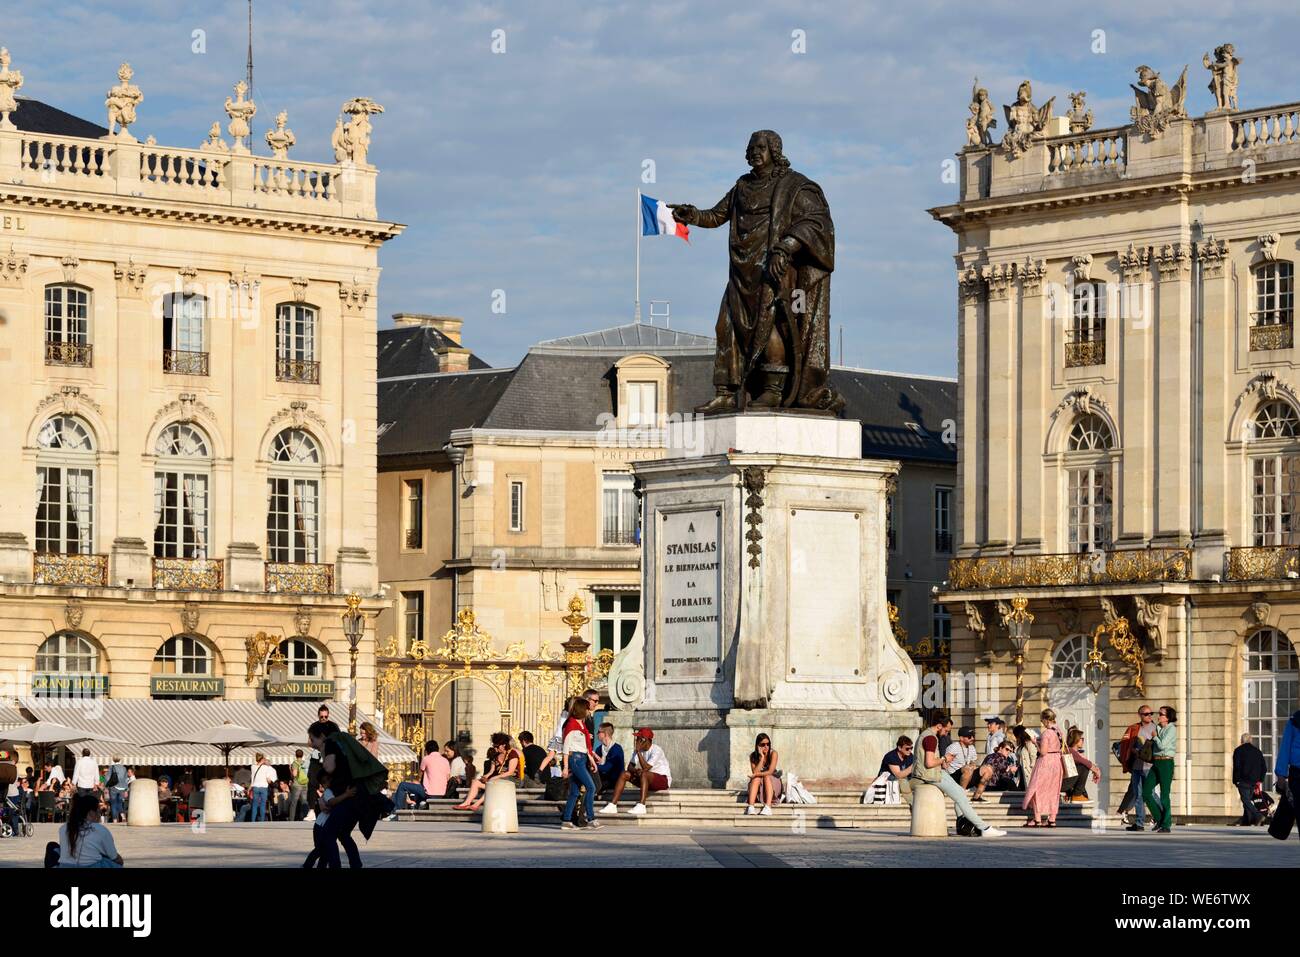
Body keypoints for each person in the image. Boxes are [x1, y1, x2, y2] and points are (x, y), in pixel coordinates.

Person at [309, 719, 391, 868]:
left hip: (350, 798)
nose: (310, 742)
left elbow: (329, 767)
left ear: (321, 736)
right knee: (343, 833)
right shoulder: (342, 744)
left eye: (312, 738)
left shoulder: (331, 743)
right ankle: (356, 864)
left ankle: (336, 866)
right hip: (357, 796)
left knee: (328, 834)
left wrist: (323, 749)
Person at [914, 712, 1005, 837]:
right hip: (931, 775)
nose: (947, 734)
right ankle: (984, 828)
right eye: (947, 730)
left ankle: (962, 823)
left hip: (936, 772)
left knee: (961, 793)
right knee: (961, 797)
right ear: (939, 726)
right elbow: (929, 763)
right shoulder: (931, 738)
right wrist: (945, 758)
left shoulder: (926, 735)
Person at [599, 727, 672, 817]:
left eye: (639, 739)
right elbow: (630, 767)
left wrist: (638, 752)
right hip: (646, 778)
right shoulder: (639, 751)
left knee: (644, 773)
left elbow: (646, 768)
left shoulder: (656, 750)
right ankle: (613, 805)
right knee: (624, 774)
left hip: (662, 780)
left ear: (646, 740)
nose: (636, 741)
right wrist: (636, 771)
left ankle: (642, 805)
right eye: (637, 738)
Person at [560, 699, 602, 830]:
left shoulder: (582, 725)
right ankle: (591, 818)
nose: (588, 710)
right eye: (586, 708)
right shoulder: (571, 724)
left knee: (574, 792)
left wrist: (591, 760)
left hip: (582, 758)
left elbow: (585, 746)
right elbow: (566, 748)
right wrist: (566, 767)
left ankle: (566, 820)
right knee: (591, 787)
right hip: (576, 759)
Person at [453, 733, 520, 812]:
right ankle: (466, 803)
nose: (495, 748)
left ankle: (477, 804)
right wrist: (485, 777)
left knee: (492, 783)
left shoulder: (512, 754)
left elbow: (510, 772)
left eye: (496, 746)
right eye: (494, 746)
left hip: (511, 781)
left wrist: (494, 777)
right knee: (475, 782)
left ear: (503, 745)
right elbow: (491, 771)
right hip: (497, 781)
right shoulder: (496, 755)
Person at [303, 771, 356, 868]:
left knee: (325, 852)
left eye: (329, 779)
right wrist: (347, 795)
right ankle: (306, 865)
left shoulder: (333, 791)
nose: (328, 782)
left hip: (328, 826)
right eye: (324, 781)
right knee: (320, 850)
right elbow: (332, 802)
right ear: (322, 785)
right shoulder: (328, 792)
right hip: (321, 826)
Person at [1022, 709, 1064, 828]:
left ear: (1046, 720)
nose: (1042, 723)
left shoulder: (1046, 733)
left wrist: (1035, 742)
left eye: (1042, 720)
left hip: (1046, 763)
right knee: (1053, 791)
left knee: (1036, 790)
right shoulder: (1059, 731)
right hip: (1057, 762)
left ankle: (1037, 819)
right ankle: (1052, 819)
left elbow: (1043, 751)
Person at [57, 793, 123, 868]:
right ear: (91, 813)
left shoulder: (63, 828)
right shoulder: (100, 829)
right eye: (99, 811)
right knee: (112, 862)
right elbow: (114, 857)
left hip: (65, 866)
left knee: (54, 848)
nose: (99, 815)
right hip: (91, 865)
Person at [388, 740, 450, 819]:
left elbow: (419, 777)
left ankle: (396, 812)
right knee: (421, 787)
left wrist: (415, 782)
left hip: (429, 793)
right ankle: (419, 805)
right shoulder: (445, 760)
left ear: (427, 750)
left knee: (402, 785)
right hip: (442, 793)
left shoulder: (426, 758)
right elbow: (448, 777)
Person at [1120, 705, 1157, 832]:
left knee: (1150, 794)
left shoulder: (1155, 728)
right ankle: (1139, 823)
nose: (1149, 716)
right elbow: (1126, 744)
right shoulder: (1134, 728)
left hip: (1149, 767)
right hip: (1136, 766)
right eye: (1146, 714)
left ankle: (1160, 817)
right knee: (1137, 795)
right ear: (1140, 715)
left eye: (1150, 713)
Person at [1142, 705, 1178, 833]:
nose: (1159, 716)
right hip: (1156, 762)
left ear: (1168, 718)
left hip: (1166, 763)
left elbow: (1162, 746)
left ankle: (1166, 824)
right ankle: (1159, 819)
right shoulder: (1157, 728)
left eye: (1162, 714)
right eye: (1159, 713)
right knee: (1146, 792)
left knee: (1164, 795)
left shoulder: (1171, 729)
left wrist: (1155, 736)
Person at [1232, 732, 1267, 826]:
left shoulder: (1238, 751)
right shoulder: (1257, 751)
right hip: (1254, 781)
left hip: (1243, 780)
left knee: (1245, 800)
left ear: (1241, 741)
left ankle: (1258, 815)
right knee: (1247, 801)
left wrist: (1236, 780)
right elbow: (1264, 767)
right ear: (1251, 740)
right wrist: (1260, 780)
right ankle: (1246, 821)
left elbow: (1237, 767)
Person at [1062, 727, 1101, 802]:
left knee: (1083, 765)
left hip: (1067, 783)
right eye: (1081, 738)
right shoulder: (1070, 751)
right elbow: (1086, 763)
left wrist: (1095, 769)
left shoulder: (1074, 752)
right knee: (1083, 767)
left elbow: (1087, 762)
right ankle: (1077, 795)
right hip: (1064, 784)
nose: (1083, 740)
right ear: (1076, 740)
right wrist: (1097, 771)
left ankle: (1080, 795)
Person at [745, 733, 782, 815]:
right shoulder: (753, 756)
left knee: (766, 776)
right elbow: (755, 772)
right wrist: (761, 758)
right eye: (763, 744)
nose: (766, 746)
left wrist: (756, 774)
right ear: (758, 745)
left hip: (773, 780)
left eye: (768, 744)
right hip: (760, 782)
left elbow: (770, 771)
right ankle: (751, 807)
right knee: (756, 778)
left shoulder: (773, 753)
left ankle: (768, 807)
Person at [944, 726, 986, 794]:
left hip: (967, 775)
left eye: (973, 736)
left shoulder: (972, 748)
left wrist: (973, 766)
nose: (972, 738)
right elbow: (945, 765)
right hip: (954, 777)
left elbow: (973, 762)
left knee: (988, 768)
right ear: (961, 738)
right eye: (969, 737)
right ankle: (961, 794)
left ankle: (977, 795)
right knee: (967, 768)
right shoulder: (953, 747)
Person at [307, 704, 330, 816]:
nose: (324, 719)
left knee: (329, 784)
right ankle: (311, 810)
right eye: (322, 717)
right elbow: (309, 742)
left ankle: (329, 808)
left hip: (327, 759)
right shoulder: (314, 727)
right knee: (312, 783)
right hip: (316, 758)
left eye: (325, 716)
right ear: (318, 716)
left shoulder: (333, 727)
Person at [879, 735, 916, 806]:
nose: (910, 750)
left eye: (911, 748)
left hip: (903, 781)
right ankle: (913, 804)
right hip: (888, 782)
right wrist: (913, 767)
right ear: (899, 747)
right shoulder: (891, 756)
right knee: (903, 782)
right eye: (907, 749)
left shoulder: (910, 756)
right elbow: (898, 775)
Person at [593, 723, 625, 797]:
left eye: (599, 732)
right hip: (602, 779)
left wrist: (595, 765)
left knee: (592, 786)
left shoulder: (616, 748)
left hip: (614, 781)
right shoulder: (599, 749)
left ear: (605, 734)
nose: (597, 734)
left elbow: (607, 768)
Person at [249, 753, 277, 822]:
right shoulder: (266, 768)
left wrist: (250, 788)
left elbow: (252, 779)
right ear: (262, 759)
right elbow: (268, 780)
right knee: (262, 805)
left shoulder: (252, 767)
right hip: (263, 788)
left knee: (255, 805)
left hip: (255, 787)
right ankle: (261, 821)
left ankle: (253, 821)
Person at [1012, 724, 1037, 791]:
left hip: (1029, 771)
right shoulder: (1021, 745)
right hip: (1021, 771)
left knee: (1029, 789)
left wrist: (1032, 766)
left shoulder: (1029, 743)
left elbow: (1033, 755)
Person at [288, 749, 310, 822]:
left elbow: (294, 774)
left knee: (294, 803)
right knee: (304, 802)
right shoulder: (305, 763)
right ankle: (305, 817)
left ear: (296, 755)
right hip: (305, 784)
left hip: (297, 785)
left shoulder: (295, 763)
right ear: (302, 755)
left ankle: (291, 820)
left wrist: (290, 770)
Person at [105, 756, 128, 824]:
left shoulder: (111, 767)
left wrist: (106, 786)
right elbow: (126, 779)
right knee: (120, 802)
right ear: (120, 759)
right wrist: (126, 789)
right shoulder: (124, 768)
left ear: (113, 759)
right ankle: (123, 816)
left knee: (113, 803)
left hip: (113, 787)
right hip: (122, 788)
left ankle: (115, 819)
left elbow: (107, 777)